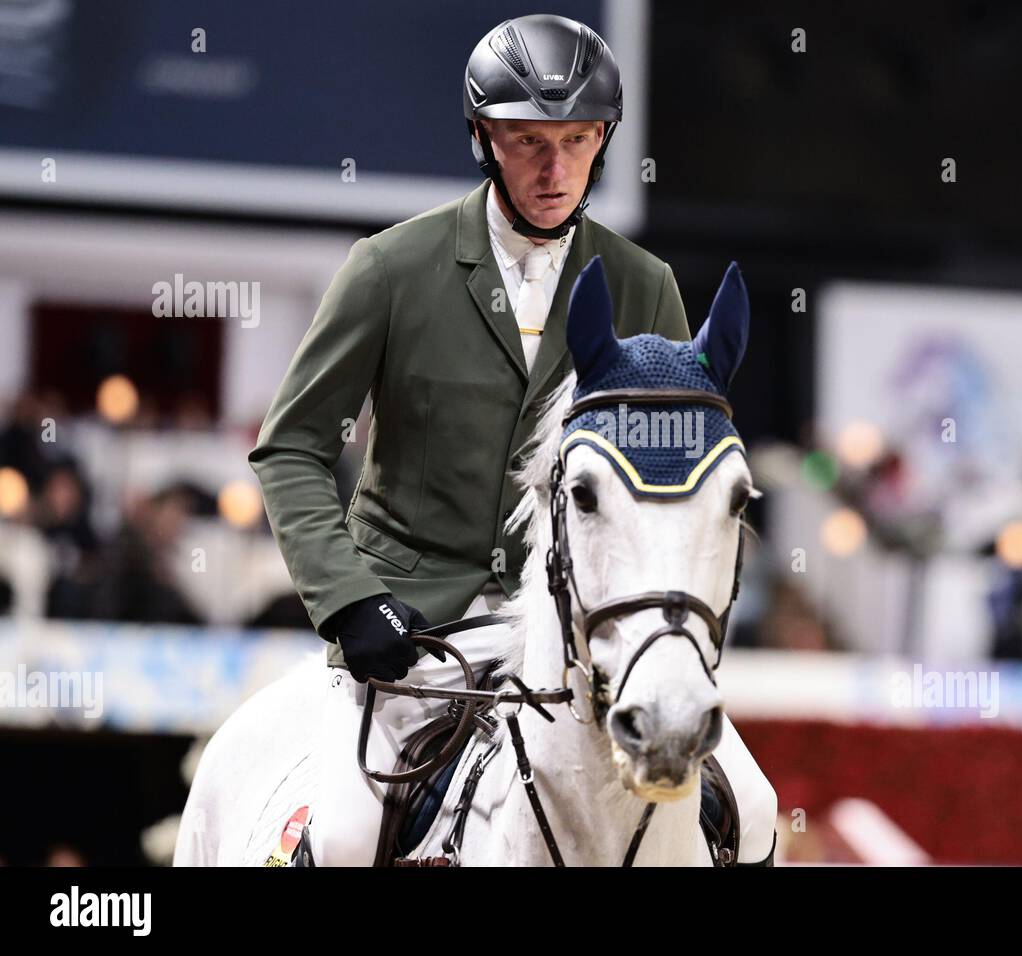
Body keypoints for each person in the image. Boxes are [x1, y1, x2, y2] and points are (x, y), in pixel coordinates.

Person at [249, 14, 777, 866]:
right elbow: (292, 450)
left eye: (577, 140)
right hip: (416, 633)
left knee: (753, 811)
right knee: (344, 840)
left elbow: (676, 487)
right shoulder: (390, 269)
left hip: (584, 642)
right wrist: (349, 599)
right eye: (528, 141)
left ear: (603, 142)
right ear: (484, 138)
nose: (555, 168)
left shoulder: (646, 287)